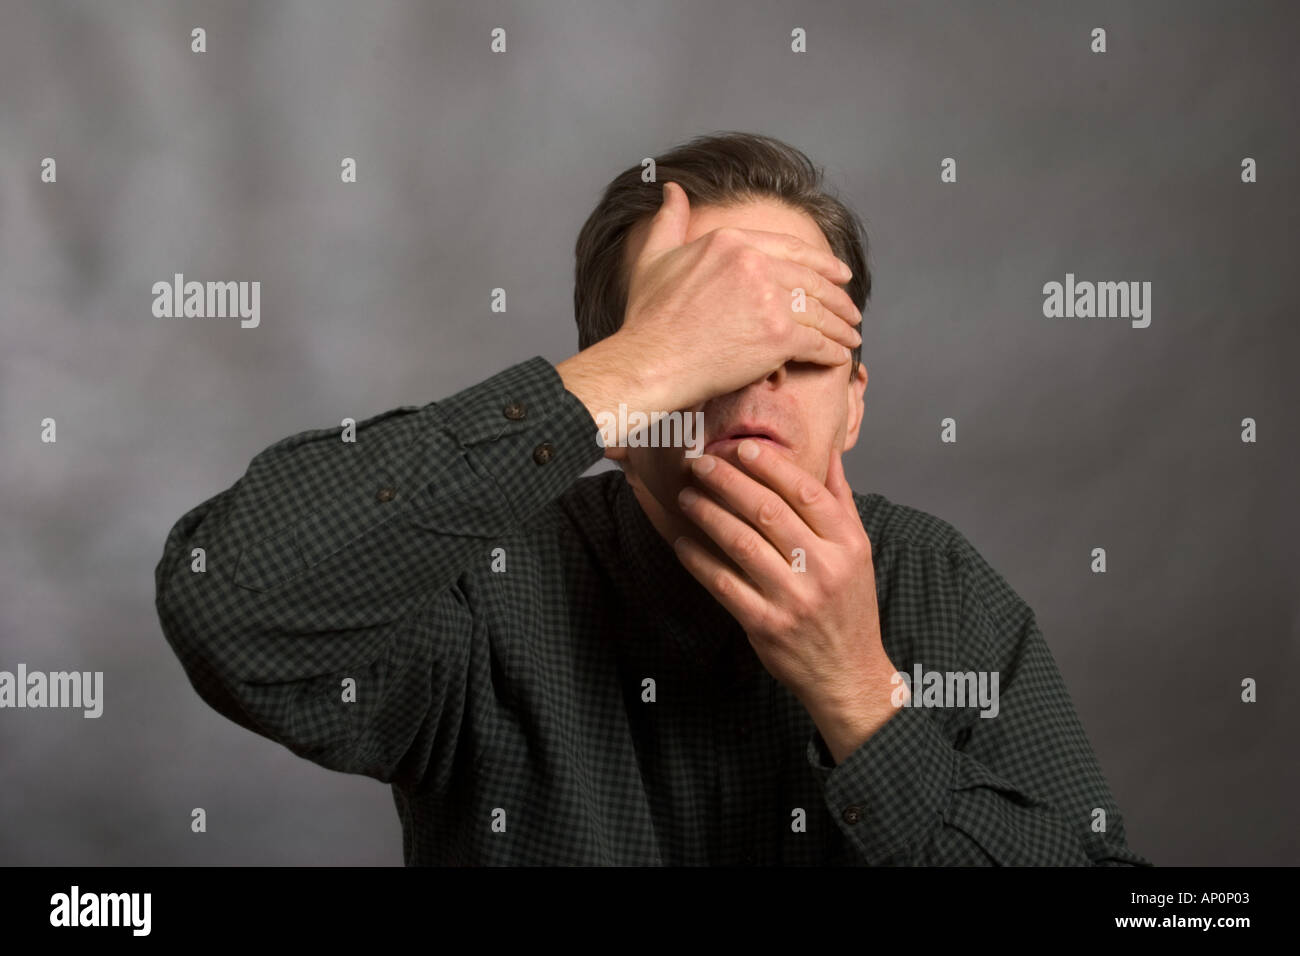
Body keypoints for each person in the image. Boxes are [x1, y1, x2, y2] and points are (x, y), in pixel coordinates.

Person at [154, 131, 1149, 866]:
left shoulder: (940, 585)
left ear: (852, 406)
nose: (756, 388)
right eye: (710, 347)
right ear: (621, 405)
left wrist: (861, 698)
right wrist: (631, 367)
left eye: (799, 355)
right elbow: (229, 602)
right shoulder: (491, 583)